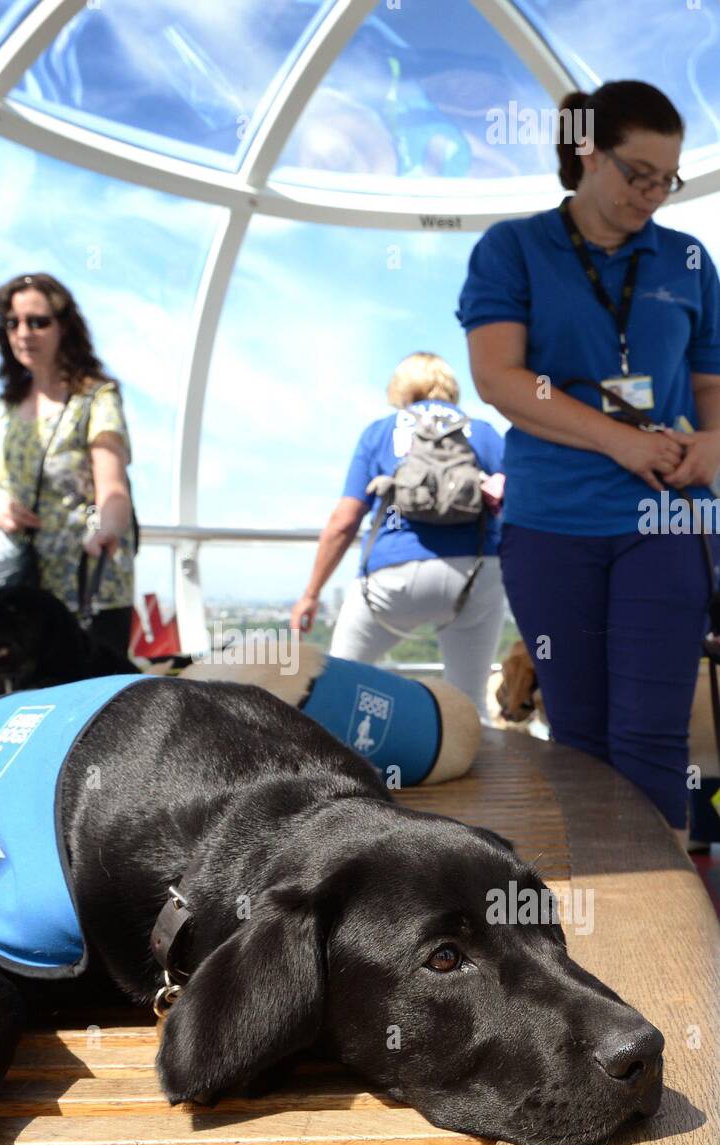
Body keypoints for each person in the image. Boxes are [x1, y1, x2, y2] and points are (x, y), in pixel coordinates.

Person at [457, 80, 720, 846]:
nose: (652, 194)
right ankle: (594, 913)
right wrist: (619, 441)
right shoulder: (512, 248)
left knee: (651, 737)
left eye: (665, 178)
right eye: (636, 172)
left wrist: (710, 443)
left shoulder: (687, 259)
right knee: (576, 735)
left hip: (664, 526)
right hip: (551, 527)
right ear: (585, 153)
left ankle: (664, 923)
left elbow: (710, 382)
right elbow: (498, 377)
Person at [291, 351, 506, 717]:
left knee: (334, 688)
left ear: (400, 388)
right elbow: (516, 505)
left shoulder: (380, 431)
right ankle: (474, 767)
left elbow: (345, 520)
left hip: (392, 577)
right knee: (469, 702)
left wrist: (311, 594)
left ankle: (342, 766)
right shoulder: (483, 433)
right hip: (474, 575)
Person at [0, 272, 136, 657]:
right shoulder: (4, 408)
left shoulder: (96, 398)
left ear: (65, 328)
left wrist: (106, 530)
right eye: (13, 323)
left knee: (91, 708)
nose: (23, 332)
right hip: (16, 585)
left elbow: (112, 487)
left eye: (38, 321)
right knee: (15, 706)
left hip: (83, 586)